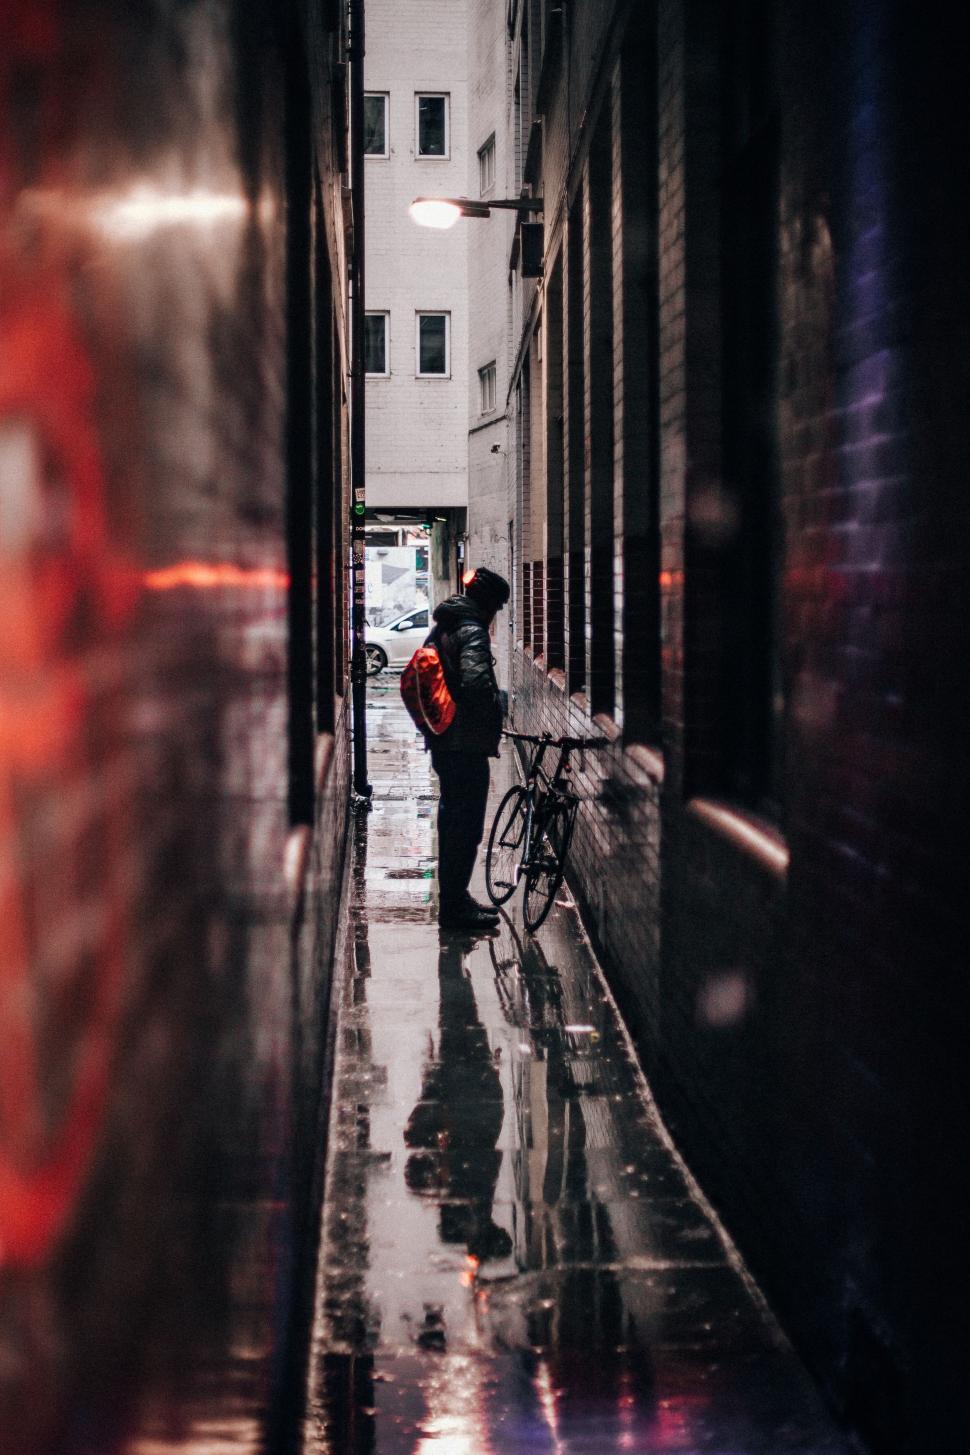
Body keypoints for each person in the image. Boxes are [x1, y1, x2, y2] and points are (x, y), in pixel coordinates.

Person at [425, 566, 510, 932]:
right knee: (464, 825)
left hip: (444, 740)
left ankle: (455, 900)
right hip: (464, 745)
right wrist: (497, 706)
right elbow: (475, 685)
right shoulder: (472, 630)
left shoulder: (444, 624)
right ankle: (455, 908)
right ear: (489, 604)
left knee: (452, 821)